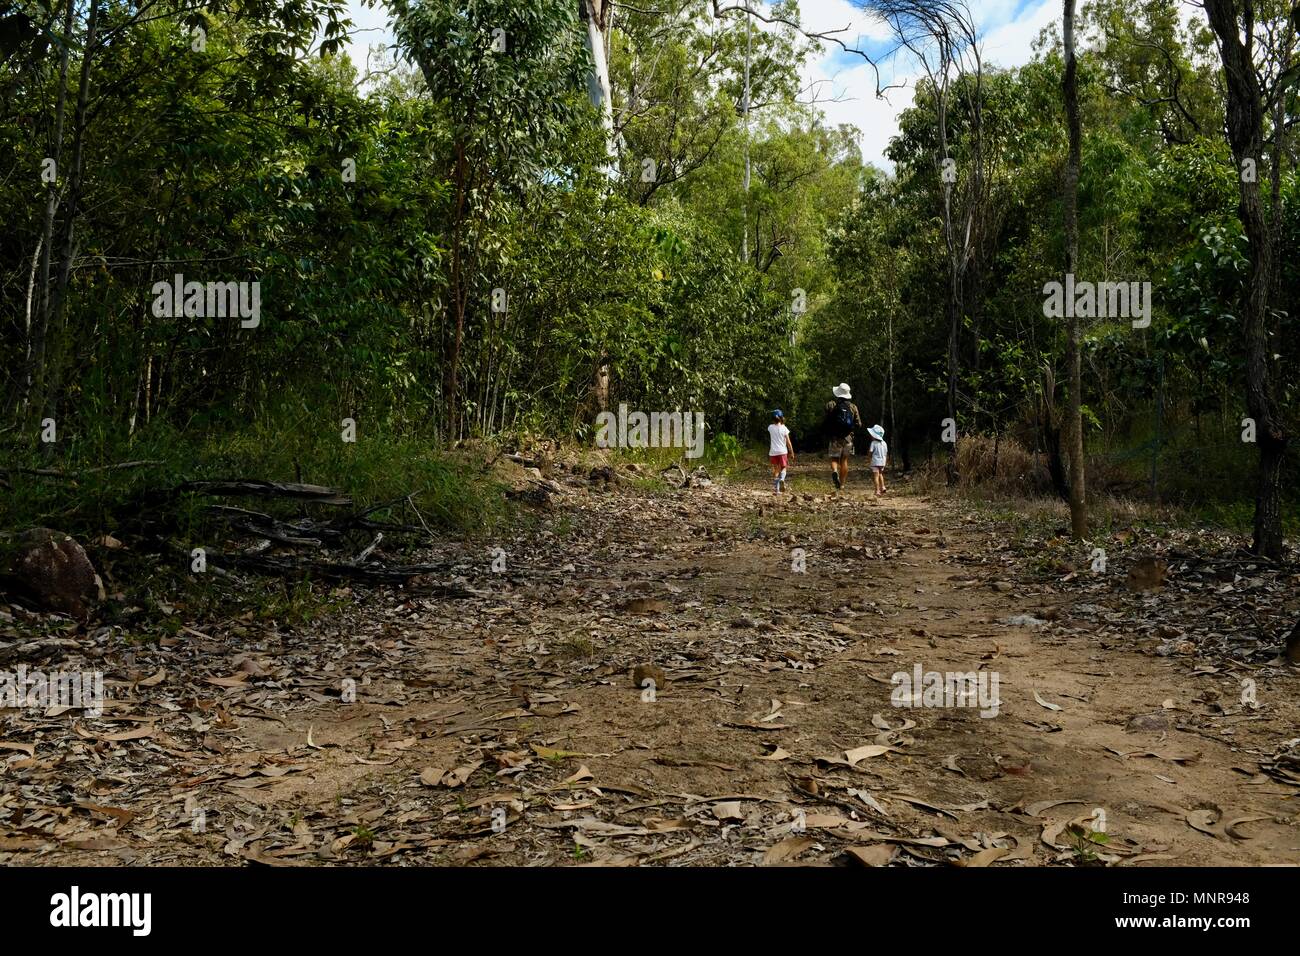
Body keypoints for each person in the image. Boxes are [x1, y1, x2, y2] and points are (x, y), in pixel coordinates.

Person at [824, 383, 861, 489]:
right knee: (844, 460)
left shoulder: (832, 405)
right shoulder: (853, 407)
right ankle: (842, 484)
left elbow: (827, 419)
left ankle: (835, 471)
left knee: (834, 459)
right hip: (848, 438)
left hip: (835, 437)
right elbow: (859, 424)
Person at [767, 409, 794, 494]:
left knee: (776, 469)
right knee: (783, 468)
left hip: (773, 452)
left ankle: (777, 490)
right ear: (782, 418)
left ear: (773, 419)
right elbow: (788, 442)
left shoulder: (770, 427)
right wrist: (792, 452)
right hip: (782, 452)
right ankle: (782, 479)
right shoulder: (784, 428)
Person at [867, 424, 888, 496]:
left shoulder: (873, 443)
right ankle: (883, 487)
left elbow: (870, 452)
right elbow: (886, 453)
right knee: (881, 474)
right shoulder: (884, 443)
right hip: (882, 461)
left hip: (875, 461)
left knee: (876, 476)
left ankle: (877, 490)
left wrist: (869, 459)